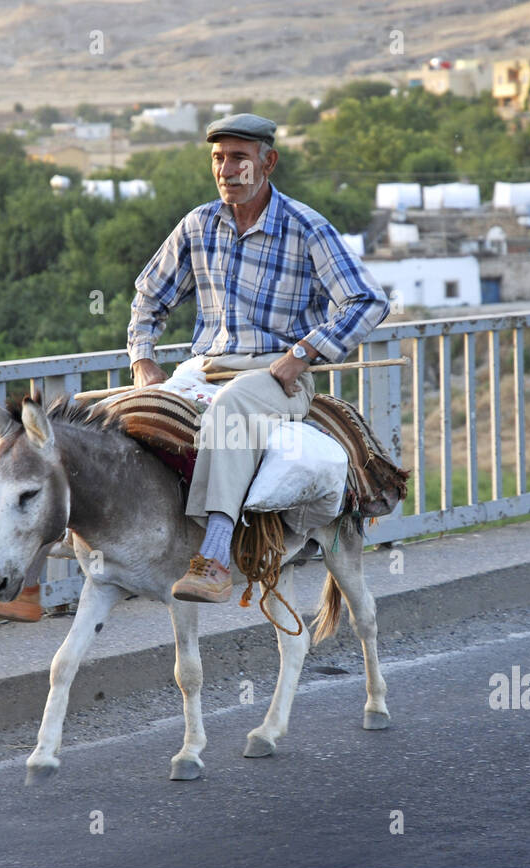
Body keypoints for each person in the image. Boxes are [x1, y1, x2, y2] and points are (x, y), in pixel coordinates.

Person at [129, 113, 389, 603]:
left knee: (229, 410)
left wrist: (303, 352)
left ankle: (215, 558)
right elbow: (149, 298)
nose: (226, 169)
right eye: (218, 158)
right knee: (107, 417)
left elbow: (368, 301)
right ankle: (25, 576)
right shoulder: (198, 225)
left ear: (268, 162)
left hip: (276, 376)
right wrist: (143, 361)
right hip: (201, 370)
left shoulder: (306, 227)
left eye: (239, 159)